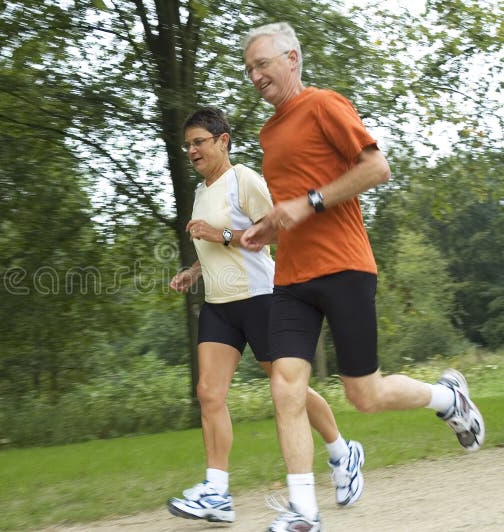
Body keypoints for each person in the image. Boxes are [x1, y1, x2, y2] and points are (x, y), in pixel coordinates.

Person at [239, 22, 485, 532]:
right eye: (248, 69)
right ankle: (303, 511)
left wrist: (308, 203)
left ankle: (449, 398)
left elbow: (377, 168)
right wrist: (269, 228)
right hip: (292, 278)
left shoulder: (324, 104)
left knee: (364, 395)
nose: (255, 75)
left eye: (262, 64)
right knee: (285, 386)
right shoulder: (268, 132)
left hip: (344, 267)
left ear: (292, 59)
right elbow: (293, 208)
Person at [165, 107, 365, 524]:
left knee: (288, 389)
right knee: (208, 393)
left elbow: (273, 232)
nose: (192, 151)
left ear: (223, 140)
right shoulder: (201, 191)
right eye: (188, 146)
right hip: (219, 305)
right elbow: (215, 244)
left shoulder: (244, 180)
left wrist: (219, 234)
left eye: (199, 142)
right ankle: (217, 492)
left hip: (260, 297)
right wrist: (194, 271)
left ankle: (342, 452)